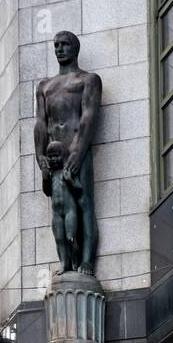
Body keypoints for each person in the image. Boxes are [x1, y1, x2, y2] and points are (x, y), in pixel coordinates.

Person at [34, 31, 102, 275]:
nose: (59, 49)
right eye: (56, 45)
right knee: (60, 210)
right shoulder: (45, 86)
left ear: (75, 48)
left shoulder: (88, 80)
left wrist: (77, 152)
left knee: (84, 205)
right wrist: (40, 156)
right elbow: (41, 123)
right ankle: (66, 262)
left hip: (76, 152)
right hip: (54, 155)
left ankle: (87, 261)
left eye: (64, 45)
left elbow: (89, 117)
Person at [42, 140, 81, 275]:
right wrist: (45, 178)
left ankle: (75, 262)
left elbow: (78, 188)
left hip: (70, 210)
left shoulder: (66, 171)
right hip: (56, 213)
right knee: (59, 239)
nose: (53, 159)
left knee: (70, 237)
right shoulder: (51, 175)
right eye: (50, 156)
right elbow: (47, 192)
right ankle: (64, 264)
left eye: (56, 156)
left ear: (63, 156)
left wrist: (70, 179)